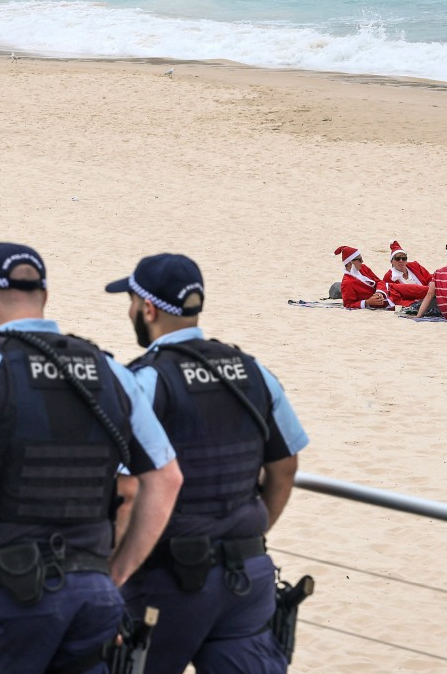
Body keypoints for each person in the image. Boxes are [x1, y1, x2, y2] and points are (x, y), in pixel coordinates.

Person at [0, 242, 183, 674]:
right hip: (92, 597)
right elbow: (166, 478)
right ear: (44, 298)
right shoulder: (108, 370)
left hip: (3, 597)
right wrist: (115, 573)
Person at [105, 253, 309, 674]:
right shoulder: (251, 371)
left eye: (130, 302)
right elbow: (286, 465)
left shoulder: (145, 380)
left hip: (167, 580)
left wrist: (110, 574)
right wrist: (249, 531)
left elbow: (127, 492)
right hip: (248, 577)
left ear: (148, 308)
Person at [380, 240, 435, 308]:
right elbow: (393, 296)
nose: (401, 261)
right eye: (397, 259)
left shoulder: (414, 266)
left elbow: (429, 278)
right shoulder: (389, 276)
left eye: (404, 258)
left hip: (429, 295)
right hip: (413, 302)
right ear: (391, 261)